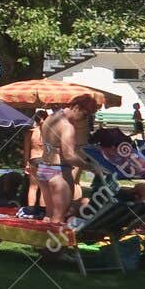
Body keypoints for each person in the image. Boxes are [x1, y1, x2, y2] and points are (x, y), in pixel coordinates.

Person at [40, 95, 99, 224]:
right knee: (58, 218)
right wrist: (91, 167)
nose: (85, 119)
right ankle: (57, 244)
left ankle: (42, 244)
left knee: (48, 215)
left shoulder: (50, 119)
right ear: (76, 107)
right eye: (85, 115)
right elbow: (69, 156)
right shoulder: (67, 127)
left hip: (44, 169)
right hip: (59, 172)